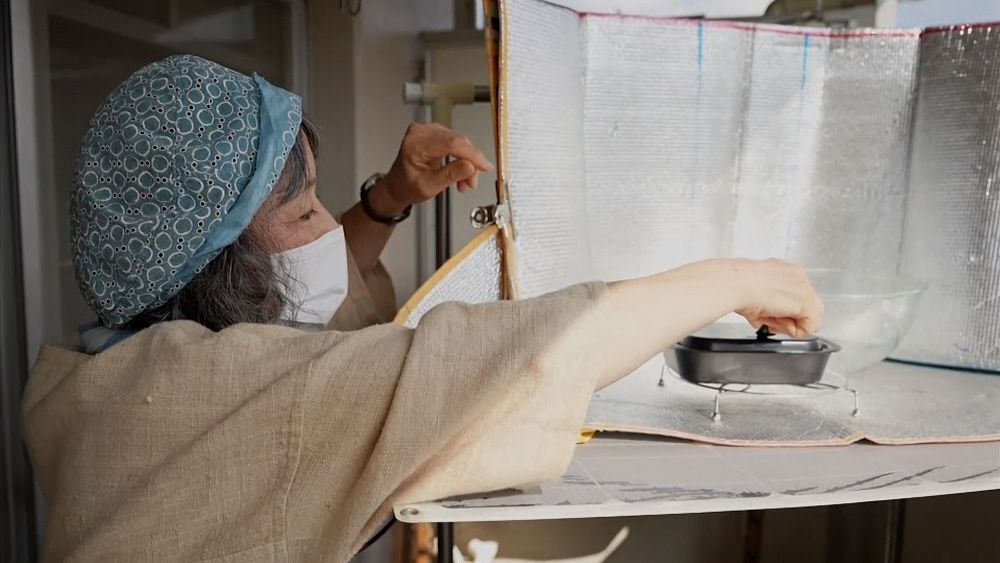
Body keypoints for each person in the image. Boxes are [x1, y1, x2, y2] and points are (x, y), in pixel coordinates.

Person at [21, 55, 823, 562]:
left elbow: (299, 321)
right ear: (224, 259)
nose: (329, 228)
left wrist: (391, 197)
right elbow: (527, 355)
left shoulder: (113, 372)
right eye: (304, 214)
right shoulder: (239, 391)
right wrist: (731, 278)